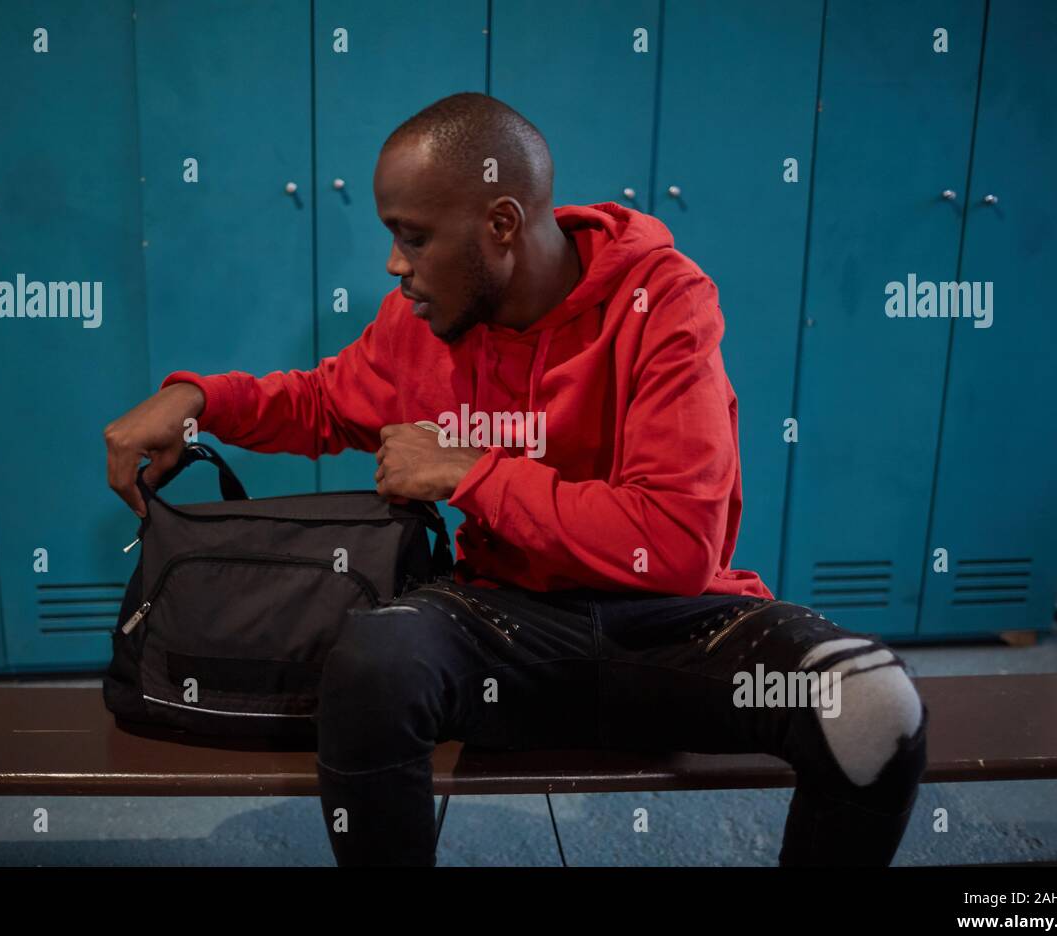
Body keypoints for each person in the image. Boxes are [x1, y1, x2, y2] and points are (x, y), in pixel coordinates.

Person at [104, 92, 927, 866]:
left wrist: (469, 471)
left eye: (413, 236)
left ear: (502, 222)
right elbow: (323, 402)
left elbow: (673, 544)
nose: (395, 264)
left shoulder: (663, 303)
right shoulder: (423, 321)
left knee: (871, 704)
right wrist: (199, 401)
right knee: (372, 664)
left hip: (680, 626)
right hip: (502, 625)